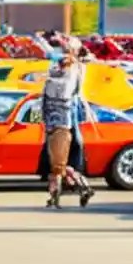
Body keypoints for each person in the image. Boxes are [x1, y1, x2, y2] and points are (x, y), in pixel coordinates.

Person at [40, 42, 93, 209]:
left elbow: (43, 103)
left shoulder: (51, 82)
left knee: (58, 168)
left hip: (55, 127)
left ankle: (63, 193)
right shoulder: (71, 80)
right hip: (64, 126)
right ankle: (81, 188)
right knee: (60, 167)